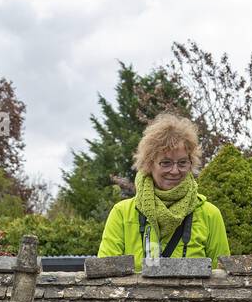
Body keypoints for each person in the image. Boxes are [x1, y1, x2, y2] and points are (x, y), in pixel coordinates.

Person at [97, 113, 229, 271]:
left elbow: (222, 276)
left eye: (182, 163)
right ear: (149, 164)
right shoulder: (122, 214)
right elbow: (106, 273)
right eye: (166, 163)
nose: (174, 171)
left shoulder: (210, 214)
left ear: (191, 163)